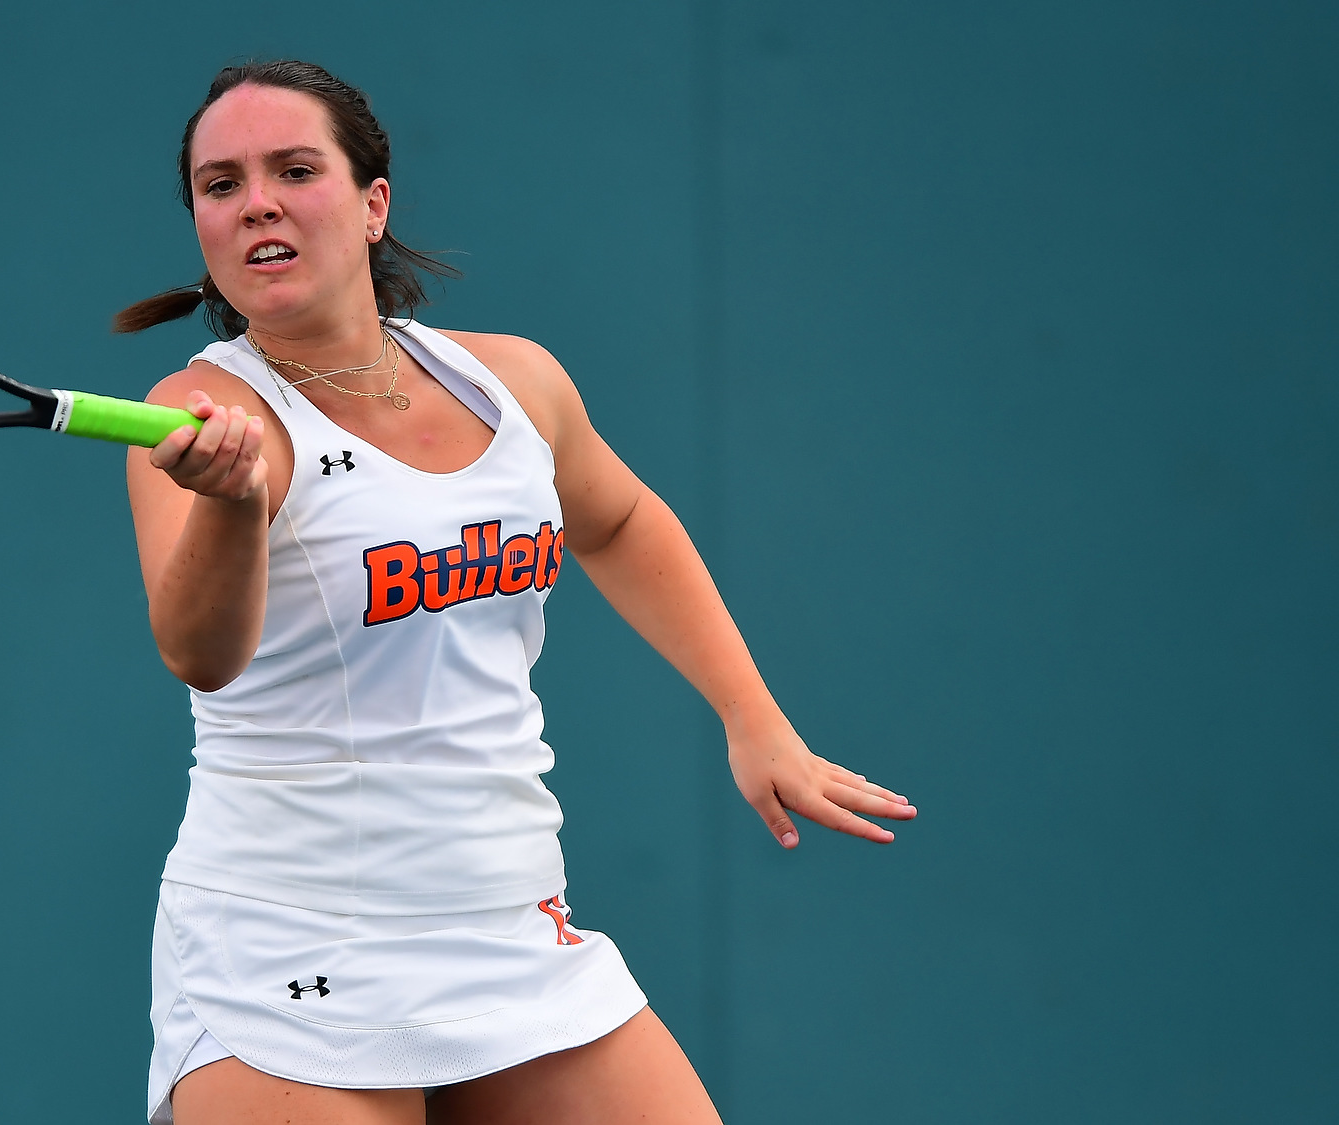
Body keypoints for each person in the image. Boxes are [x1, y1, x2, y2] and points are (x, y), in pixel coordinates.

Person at [118, 60, 916, 1125]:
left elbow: (623, 522)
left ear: (371, 204)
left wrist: (752, 719)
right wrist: (228, 503)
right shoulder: (199, 410)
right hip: (286, 945)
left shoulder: (514, 381)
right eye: (220, 185)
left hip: (504, 923)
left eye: (293, 169)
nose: (255, 199)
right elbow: (198, 654)